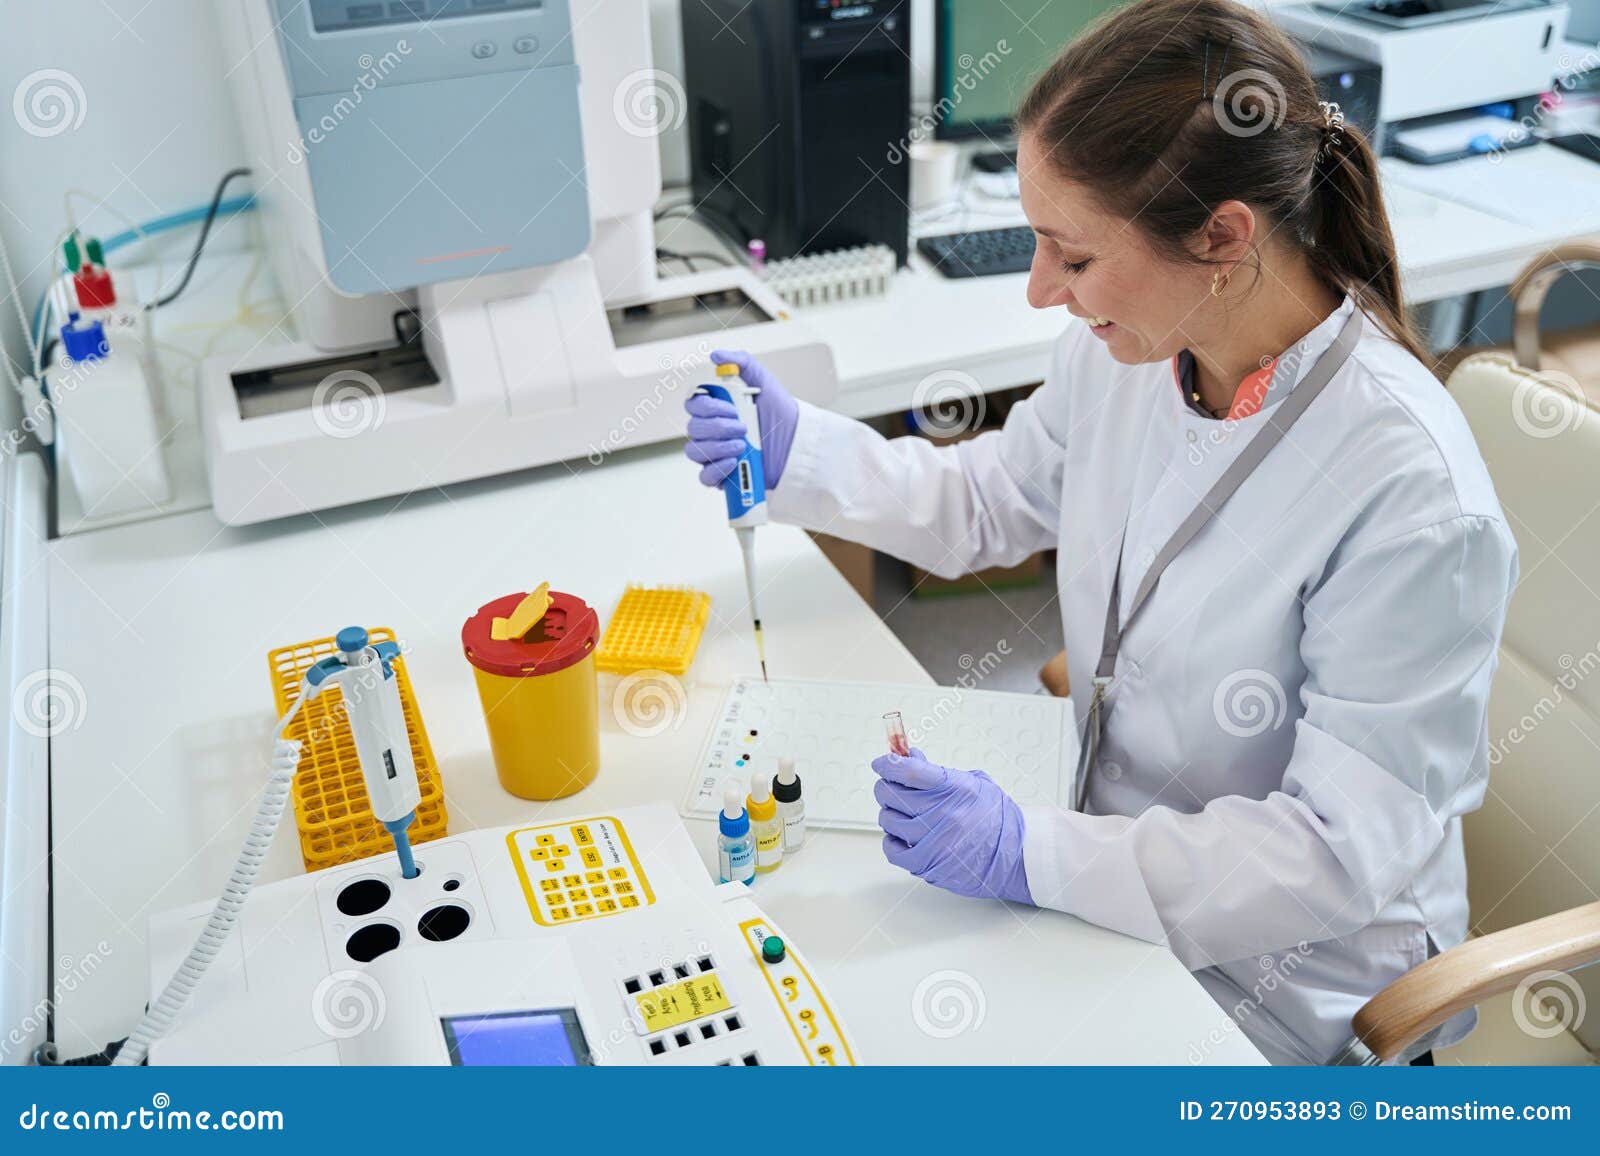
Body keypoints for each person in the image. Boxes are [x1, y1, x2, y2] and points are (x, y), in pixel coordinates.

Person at [682, 0, 1517, 1065]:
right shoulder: (1132, 348)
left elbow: (1331, 857)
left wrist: (1025, 850)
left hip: (1288, 980)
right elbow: (992, 500)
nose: (1040, 290)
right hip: (1101, 851)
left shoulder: (1410, 496)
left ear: (1221, 238)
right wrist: (804, 449)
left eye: (1070, 256)